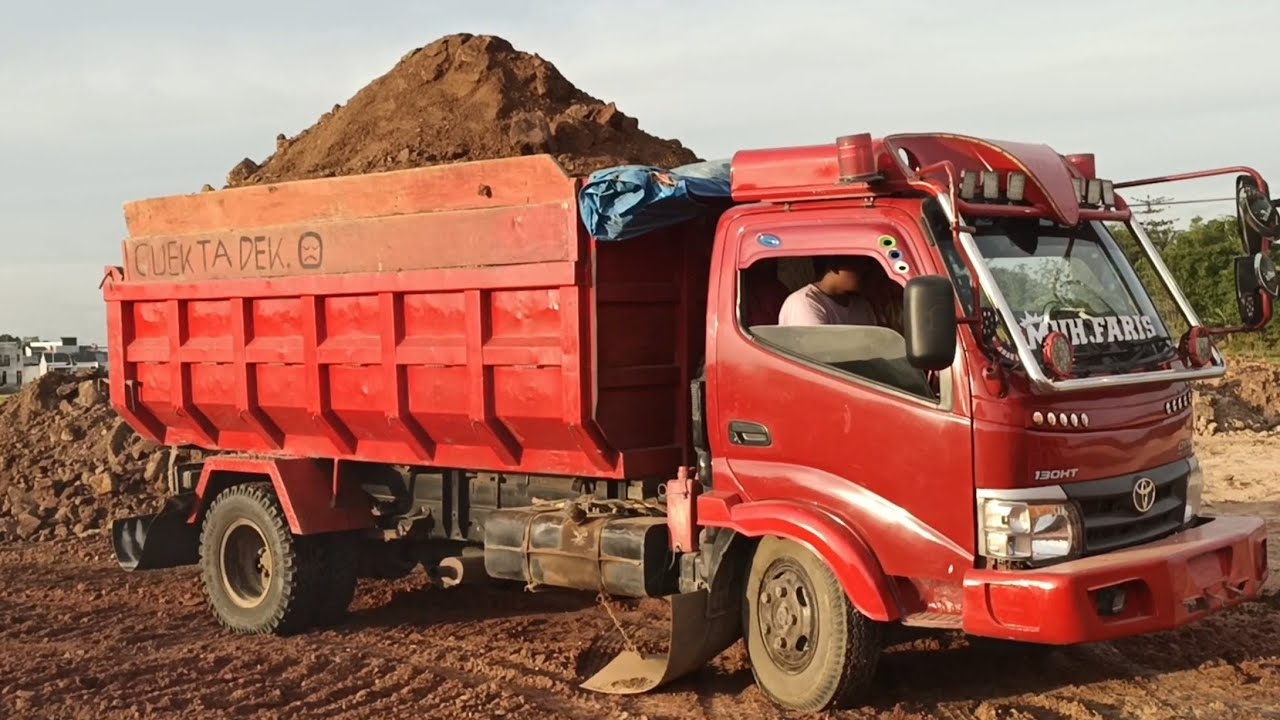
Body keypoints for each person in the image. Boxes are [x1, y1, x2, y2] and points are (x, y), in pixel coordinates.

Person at [778, 255, 876, 326]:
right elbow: (815, 351)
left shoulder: (862, 305)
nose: (865, 272)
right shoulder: (805, 303)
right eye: (859, 266)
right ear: (834, 266)